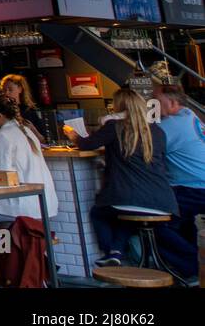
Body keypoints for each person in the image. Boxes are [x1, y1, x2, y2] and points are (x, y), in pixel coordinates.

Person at [66, 87, 178, 267]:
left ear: (119, 106)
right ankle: (117, 252)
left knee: (100, 213)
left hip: (126, 197)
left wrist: (73, 134)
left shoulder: (114, 127)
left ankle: (110, 252)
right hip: (164, 201)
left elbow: (86, 144)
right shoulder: (157, 132)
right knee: (126, 215)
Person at [0, 94, 58, 250]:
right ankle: (10, 253)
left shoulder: (1, 136)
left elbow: (4, 175)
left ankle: (5, 252)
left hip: (22, 203)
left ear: (0, 114)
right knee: (1, 222)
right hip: (45, 201)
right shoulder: (27, 131)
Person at [150, 83, 205, 279]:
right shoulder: (189, 115)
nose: (152, 102)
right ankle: (193, 265)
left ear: (173, 102)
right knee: (181, 221)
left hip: (193, 187)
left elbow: (142, 148)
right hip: (196, 185)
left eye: (157, 99)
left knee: (157, 222)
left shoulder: (170, 125)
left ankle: (192, 265)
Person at [0, 74, 46, 138]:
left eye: (10, 89)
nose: (6, 93)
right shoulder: (0, 110)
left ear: (20, 89)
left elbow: (44, 138)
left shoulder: (29, 111)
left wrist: (32, 128)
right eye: (4, 90)